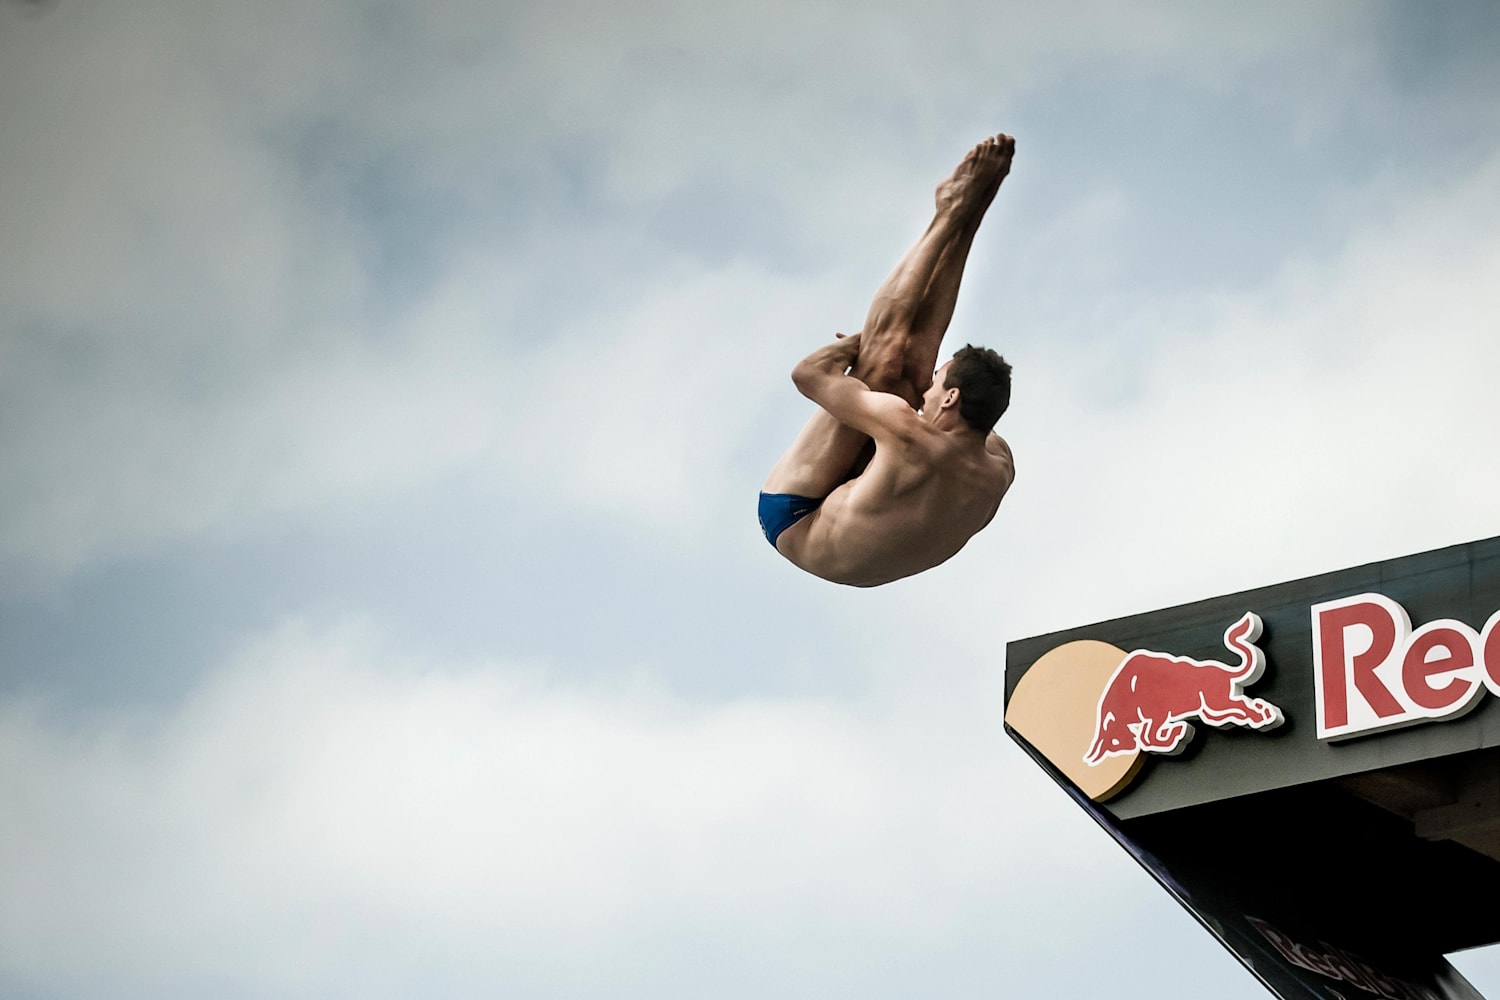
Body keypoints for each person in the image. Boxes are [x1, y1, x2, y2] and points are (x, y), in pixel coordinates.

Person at [758, 134, 1016, 587]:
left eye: (938, 383)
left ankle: (951, 213)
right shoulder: (999, 465)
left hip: (796, 517)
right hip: (869, 534)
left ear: (951, 397)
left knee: (884, 365)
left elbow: (808, 373)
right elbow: (960, 415)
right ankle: (967, 213)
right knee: (906, 376)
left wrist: (859, 345)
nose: (927, 390)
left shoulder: (907, 432)